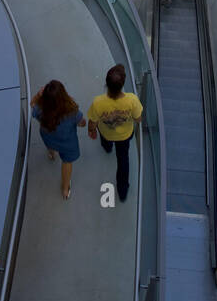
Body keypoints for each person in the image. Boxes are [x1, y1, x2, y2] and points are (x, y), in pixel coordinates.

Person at [87, 64, 143, 203]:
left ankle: (107, 147)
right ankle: (122, 191)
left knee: (105, 141)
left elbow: (93, 122)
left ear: (106, 83)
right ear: (123, 84)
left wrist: (92, 130)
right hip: (124, 135)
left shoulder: (98, 102)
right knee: (123, 161)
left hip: (106, 132)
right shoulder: (132, 99)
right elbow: (138, 119)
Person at [31, 80, 86, 199]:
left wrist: (37, 95)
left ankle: (51, 153)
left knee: (50, 146)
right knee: (67, 162)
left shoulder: (40, 109)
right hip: (67, 143)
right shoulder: (72, 111)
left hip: (48, 138)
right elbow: (82, 123)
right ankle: (65, 189)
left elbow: (32, 104)